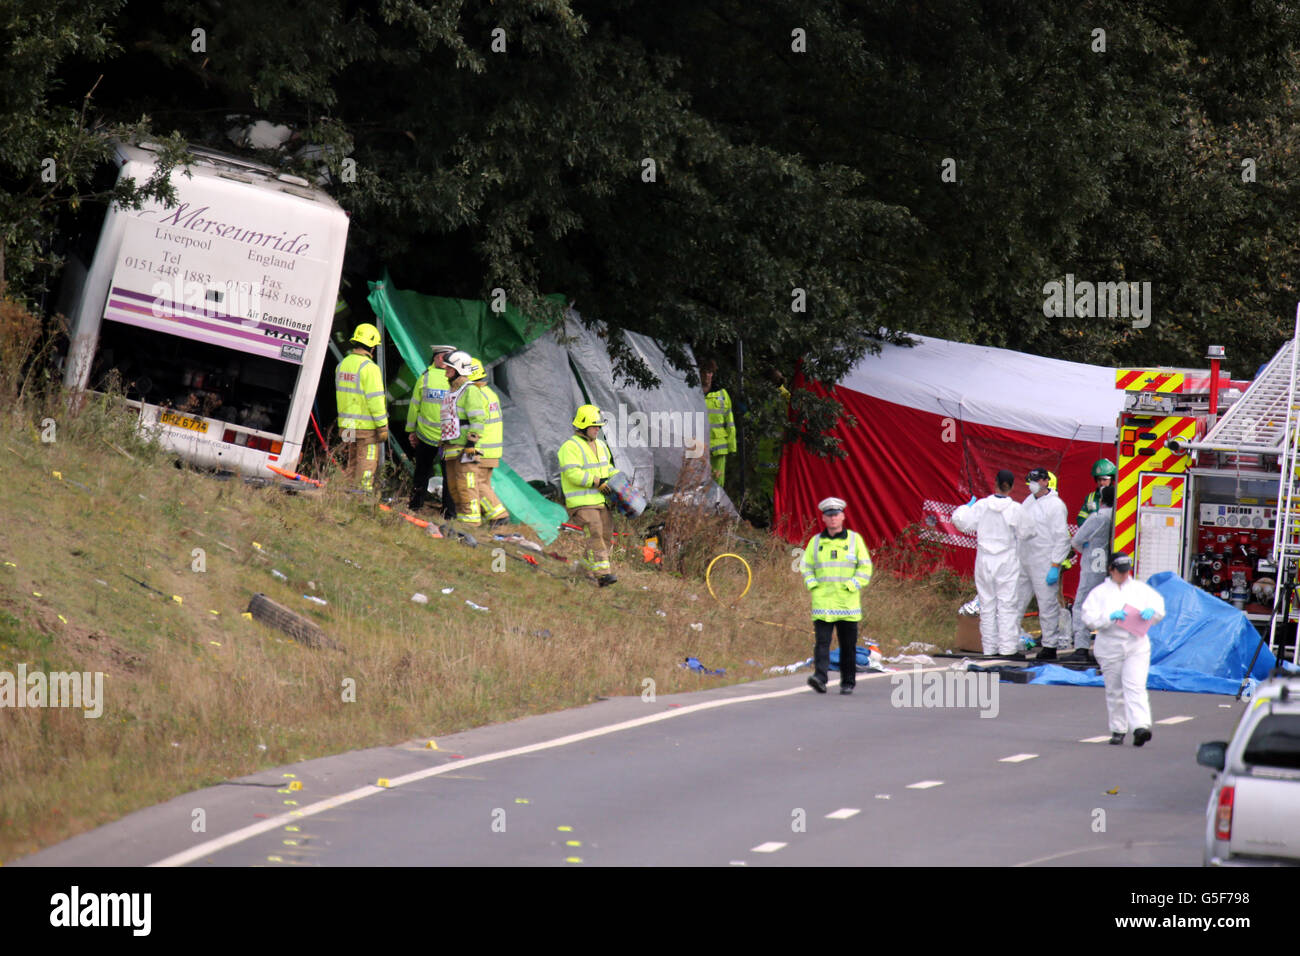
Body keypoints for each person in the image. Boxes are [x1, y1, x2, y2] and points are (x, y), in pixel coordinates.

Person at [1079, 552, 1165, 746]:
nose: (1124, 575)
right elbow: (1088, 618)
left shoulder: (1140, 590)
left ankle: (1140, 727)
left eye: (1126, 572)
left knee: (1135, 686)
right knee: (1115, 689)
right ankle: (1118, 729)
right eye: (1120, 572)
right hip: (1110, 646)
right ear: (1111, 570)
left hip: (1136, 644)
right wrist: (1109, 617)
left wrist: (1152, 613)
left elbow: (1158, 608)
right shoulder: (1099, 593)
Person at [800, 497, 874, 695]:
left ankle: (848, 682)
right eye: (829, 515)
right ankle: (820, 678)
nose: (833, 519)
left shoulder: (854, 540)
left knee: (847, 646)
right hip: (823, 602)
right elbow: (805, 566)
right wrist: (812, 584)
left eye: (836, 515)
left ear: (843, 516)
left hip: (847, 604)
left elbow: (865, 566)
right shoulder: (816, 542)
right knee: (822, 644)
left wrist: (853, 585)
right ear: (823, 518)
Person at [951, 470, 1025, 657]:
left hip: (984, 560)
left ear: (995, 483)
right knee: (1007, 605)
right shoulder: (1017, 509)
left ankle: (990, 648)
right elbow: (1028, 534)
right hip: (1007, 561)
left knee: (987, 605)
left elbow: (961, 523)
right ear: (1012, 486)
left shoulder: (982, 506)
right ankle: (1007, 649)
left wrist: (965, 508)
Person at [1015, 466, 1072, 660]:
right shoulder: (1028, 502)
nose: (1033, 485)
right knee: (1015, 602)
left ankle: (1049, 646)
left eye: (1036, 481)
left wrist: (1055, 565)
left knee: (1047, 606)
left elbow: (1062, 538)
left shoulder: (1055, 505)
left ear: (1046, 481)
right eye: (1030, 481)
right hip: (1024, 561)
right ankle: (1008, 642)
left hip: (1045, 563)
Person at [558, 404, 618, 586]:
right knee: (595, 533)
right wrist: (596, 481)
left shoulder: (601, 445)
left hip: (600, 500)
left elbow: (607, 468)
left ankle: (584, 569)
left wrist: (619, 480)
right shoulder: (569, 447)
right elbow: (572, 473)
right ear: (583, 425)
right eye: (594, 426)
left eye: (599, 426)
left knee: (606, 535)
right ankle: (603, 575)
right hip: (581, 502)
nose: (597, 429)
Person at [439, 350, 494, 526]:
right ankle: (462, 523)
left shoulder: (470, 391)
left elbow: (478, 420)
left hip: (466, 449)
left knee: (466, 486)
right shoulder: (451, 391)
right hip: (451, 448)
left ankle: (471, 524)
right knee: (454, 488)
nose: (445, 369)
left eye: (449, 366)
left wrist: (471, 443)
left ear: (457, 369)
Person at [334, 322, 387, 492]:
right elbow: (376, 400)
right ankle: (361, 497)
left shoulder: (342, 364)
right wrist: (382, 425)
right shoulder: (370, 368)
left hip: (347, 425)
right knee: (366, 463)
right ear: (372, 347)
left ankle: (346, 494)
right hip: (366, 429)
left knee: (352, 461)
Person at [1067, 484, 1115, 662]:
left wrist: (1083, 547)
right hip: (1113, 570)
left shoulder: (1097, 517)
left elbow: (1077, 540)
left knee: (1082, 605)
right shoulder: (1120, 517)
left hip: (1093, 568)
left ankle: (1081, 647)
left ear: (1101, 500)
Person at [406, 344, 456, 514]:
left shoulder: (426, 377)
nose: (445, 360)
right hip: (433, 437)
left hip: (441, 438)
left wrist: (411, 430)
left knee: (425, 473)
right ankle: (448, 513)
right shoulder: (453, 378)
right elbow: (415, 406)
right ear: (436, 357)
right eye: (443, 356)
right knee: (442, 475)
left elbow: (414, 406)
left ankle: (416, 506)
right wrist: (412, 431)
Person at [463, 358, 509, 529]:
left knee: (476, 484)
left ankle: (498, 515)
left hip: (481, 448)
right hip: (493, 449)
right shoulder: (489, 393)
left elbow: (476, 423)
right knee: (484, 483)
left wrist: (470, 444)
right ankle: (490, 517)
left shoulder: (476, 395)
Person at [701, 360, 736, 486]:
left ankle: (716, 505)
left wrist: (731, 446)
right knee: (696, 481)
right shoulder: (692, 393)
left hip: (718, 447)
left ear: (713, 374)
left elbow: (729, 422)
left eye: (709, 372)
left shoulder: (722, 394)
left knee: (717, 482)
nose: (706, 375)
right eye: (704, 372)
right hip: (697, 445)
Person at [1077, 458, 1117, 524]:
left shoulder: (1117, 496)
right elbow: (1081, 519)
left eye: (1104, 479)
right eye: (1099, 480)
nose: (1101, 483)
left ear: (1111, 479)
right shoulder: (1090, 497)